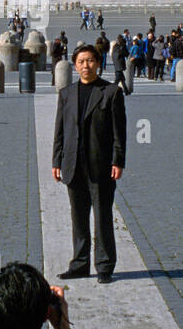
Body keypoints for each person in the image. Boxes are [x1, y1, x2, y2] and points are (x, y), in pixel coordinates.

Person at [52, 44, 127, 283]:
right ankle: (80, 263)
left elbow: (119, 132)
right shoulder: (66, 93)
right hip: (73, 163)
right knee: (78, 216)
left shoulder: (111, 92)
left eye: (90, 61)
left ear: (98, 63)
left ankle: (104, 266)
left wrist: (118, 160)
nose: (86, 66)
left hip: (101, 164)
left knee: (103, 216)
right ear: (75, 66)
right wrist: (57, 160)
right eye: (81, 62)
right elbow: (60, 131)